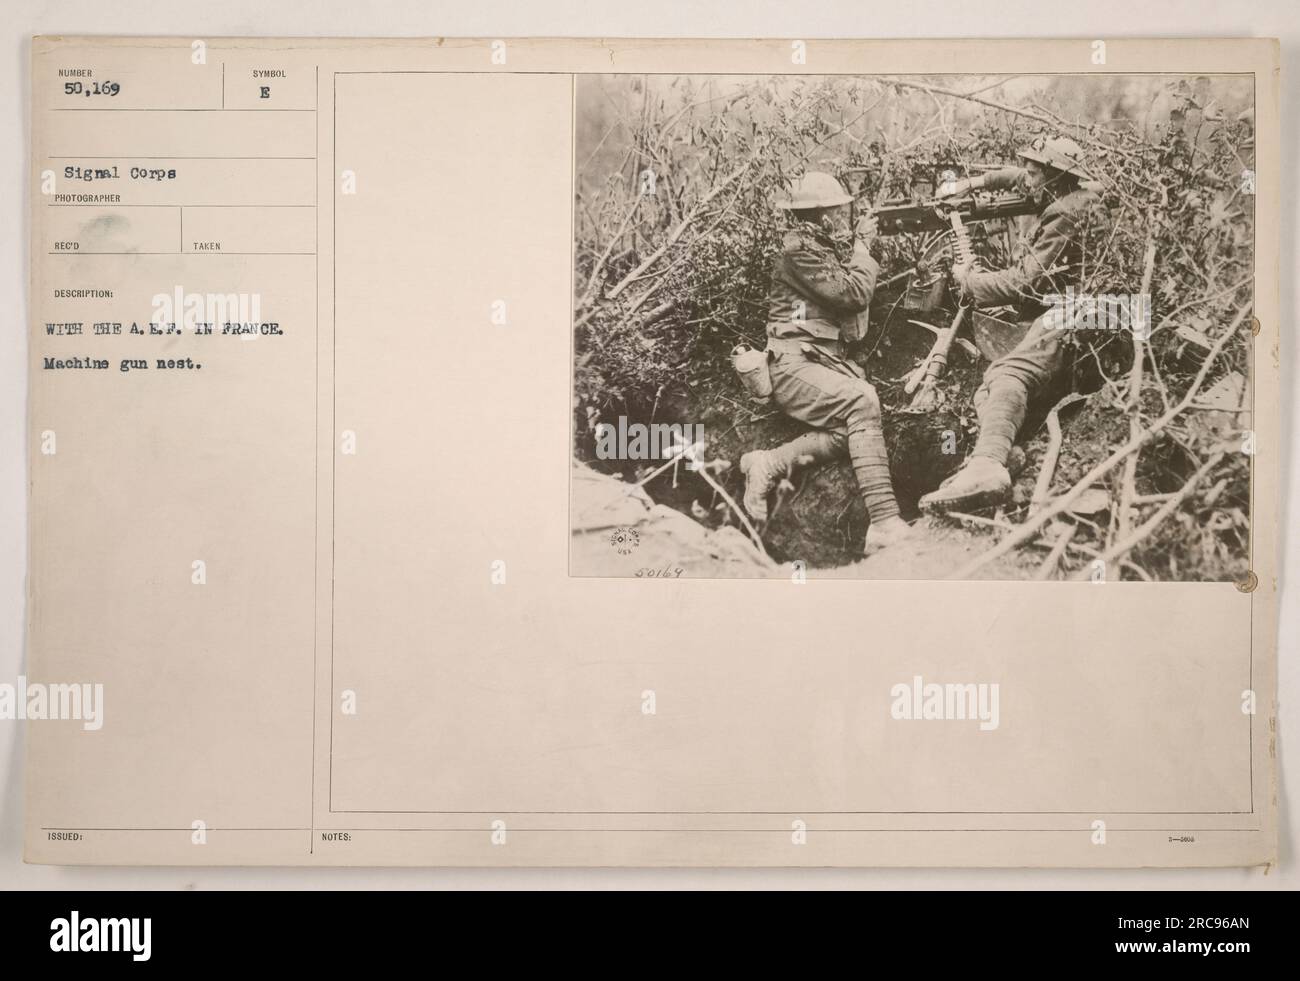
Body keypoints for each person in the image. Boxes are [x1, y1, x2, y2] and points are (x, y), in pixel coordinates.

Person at [919, 136, 1109, 514]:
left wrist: (968, 281)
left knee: (1006, 375)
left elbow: (1022, 284)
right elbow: (1017, 177)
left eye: (1036, 173)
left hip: (1088, 309)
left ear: (1055, 178)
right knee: (986, 394)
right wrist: (971, 184)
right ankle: (1002, 456)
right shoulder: (1070, 191)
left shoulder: (1067, 212)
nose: (1028, 179)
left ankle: (987, 468)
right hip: (1085, 304)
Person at [740, 171, 911, 554]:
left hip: (816, 361)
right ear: (826, 217)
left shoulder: (817, 247)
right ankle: (884, 523)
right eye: (839, 212)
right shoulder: (798, 250)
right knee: (862, 401)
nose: (844, 219)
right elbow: (852, 294)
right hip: (791, 364)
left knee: (853, 430)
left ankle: (768, 464)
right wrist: (864, 248)